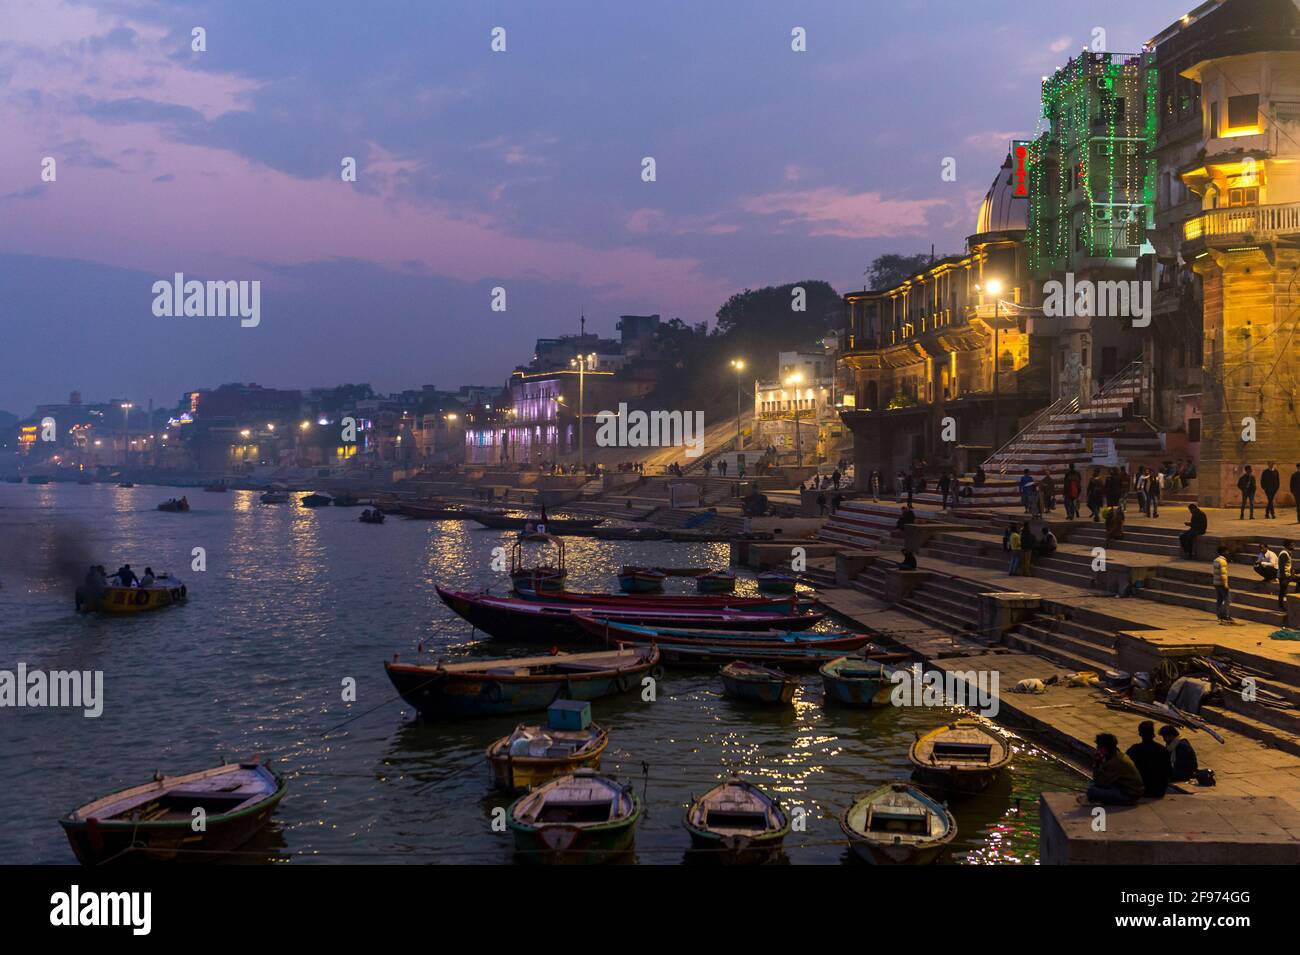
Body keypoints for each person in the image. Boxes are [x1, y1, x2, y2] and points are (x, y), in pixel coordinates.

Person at [1087, 733, 1145, 806]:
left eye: (1099, 747)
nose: (1097, 749)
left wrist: (1097, 763)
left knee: (1092, 791)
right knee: (1093, 787)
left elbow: (1100, 783)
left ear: (1105, 749)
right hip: (1127, 789)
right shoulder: (1116, 755)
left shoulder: (1116, 762)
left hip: (1128, 795)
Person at [1125, 721, 1170, 799]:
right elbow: (1169, 771)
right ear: (1153, 734)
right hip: (1159, 790)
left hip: (1141, 789)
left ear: (1140, 734)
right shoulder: (1162, 749)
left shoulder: (1134, 750)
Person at [1212, 545, 1233, 623]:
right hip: (1221, 583)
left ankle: (1219, 615)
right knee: (1227, 599)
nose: (1228, 553)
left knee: (1219, 599)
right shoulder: (1223, 561)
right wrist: (1225, 584)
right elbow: (1223, 574)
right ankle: (1225, 615)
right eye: (1227, 551)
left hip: (1216, 582)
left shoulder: (1215, 560)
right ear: (1223, 552)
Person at [1277, 540, 1293, 611]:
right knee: (1282, 591)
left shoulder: (1287, 553)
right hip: (1284, 576)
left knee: (1283, 590)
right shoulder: (1284, 554)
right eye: (1292, 545)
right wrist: (1283, 579)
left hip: (1287, 574)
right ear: (1288, 546)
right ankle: (1281, 606)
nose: (1293, 546)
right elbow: (1281, 566)